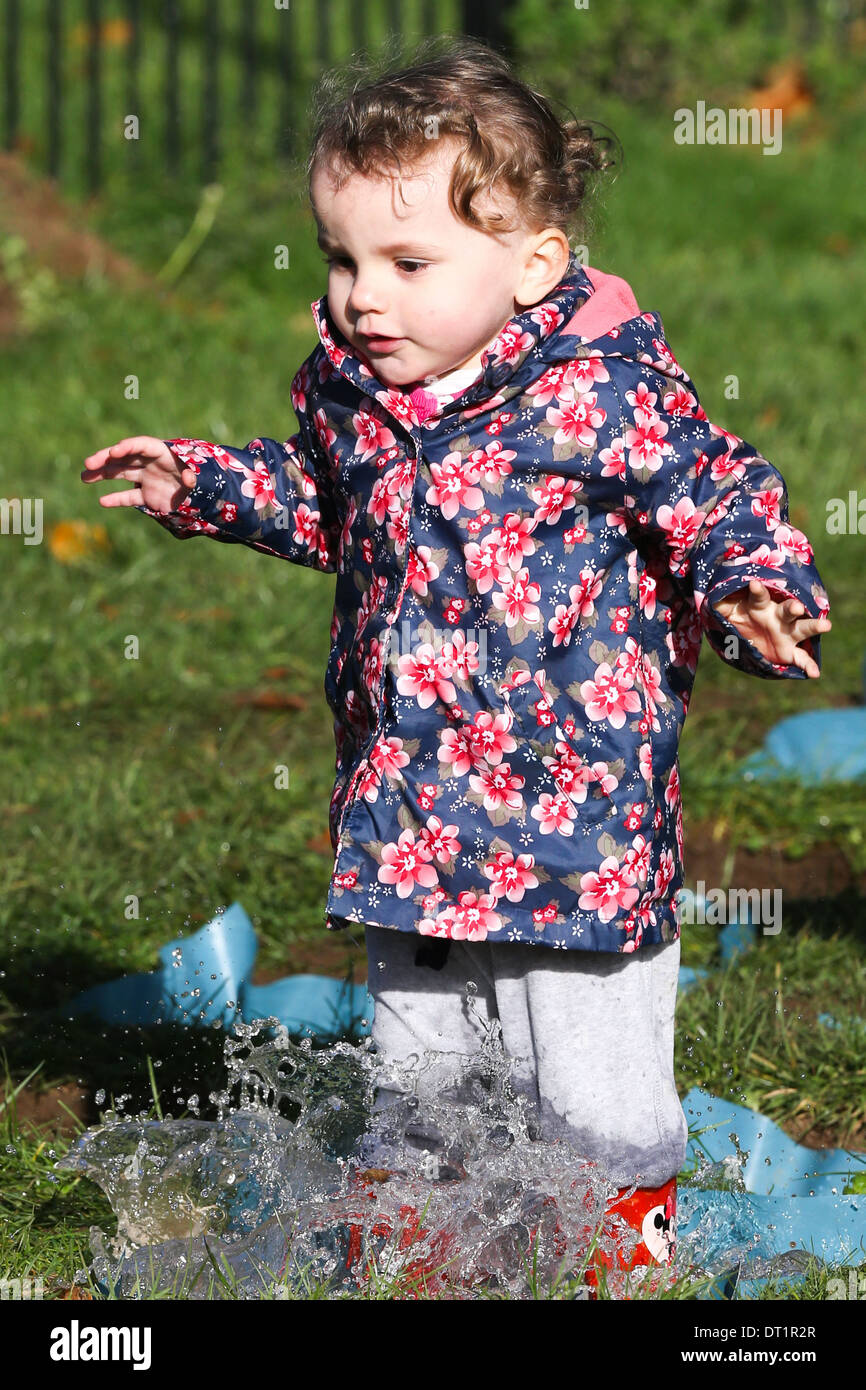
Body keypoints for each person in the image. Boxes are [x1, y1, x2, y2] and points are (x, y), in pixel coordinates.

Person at [81, 36, 832, 1287]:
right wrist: (205, 482)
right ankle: (426, 1252)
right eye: (341, 257)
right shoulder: (353, 389)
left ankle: (615, 1257)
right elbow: (330, 503)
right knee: (422, 1083)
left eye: (406, 262)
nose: (362, 295)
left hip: (574, 819)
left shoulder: (601, 394)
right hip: (410, 815)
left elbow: (718, 492)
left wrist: (754, 583)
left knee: (587, 1085)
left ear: (532, 264)